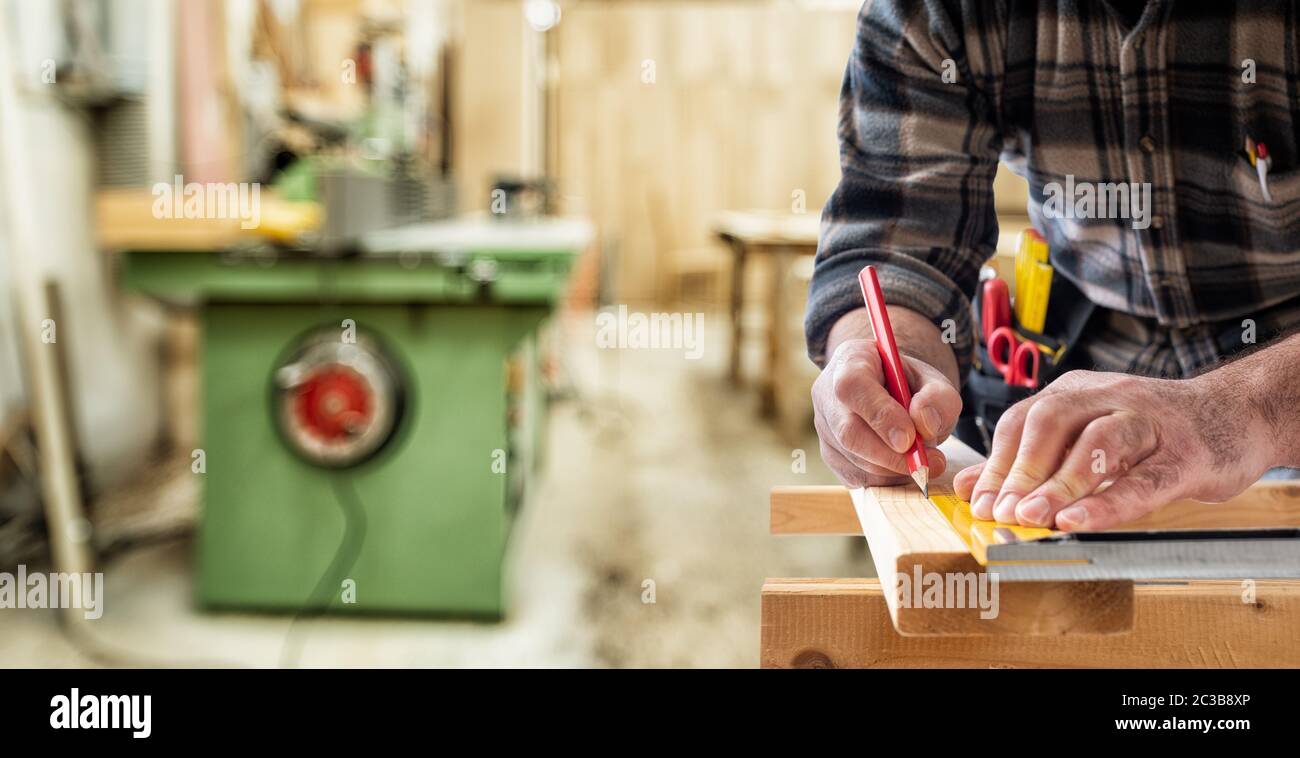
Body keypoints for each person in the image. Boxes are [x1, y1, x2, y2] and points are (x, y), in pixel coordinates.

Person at [807, 0, 1300, 531]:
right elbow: (900, 241)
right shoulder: (935, 11)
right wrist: (887, 363)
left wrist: (1239, 411)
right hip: (1083, 373)